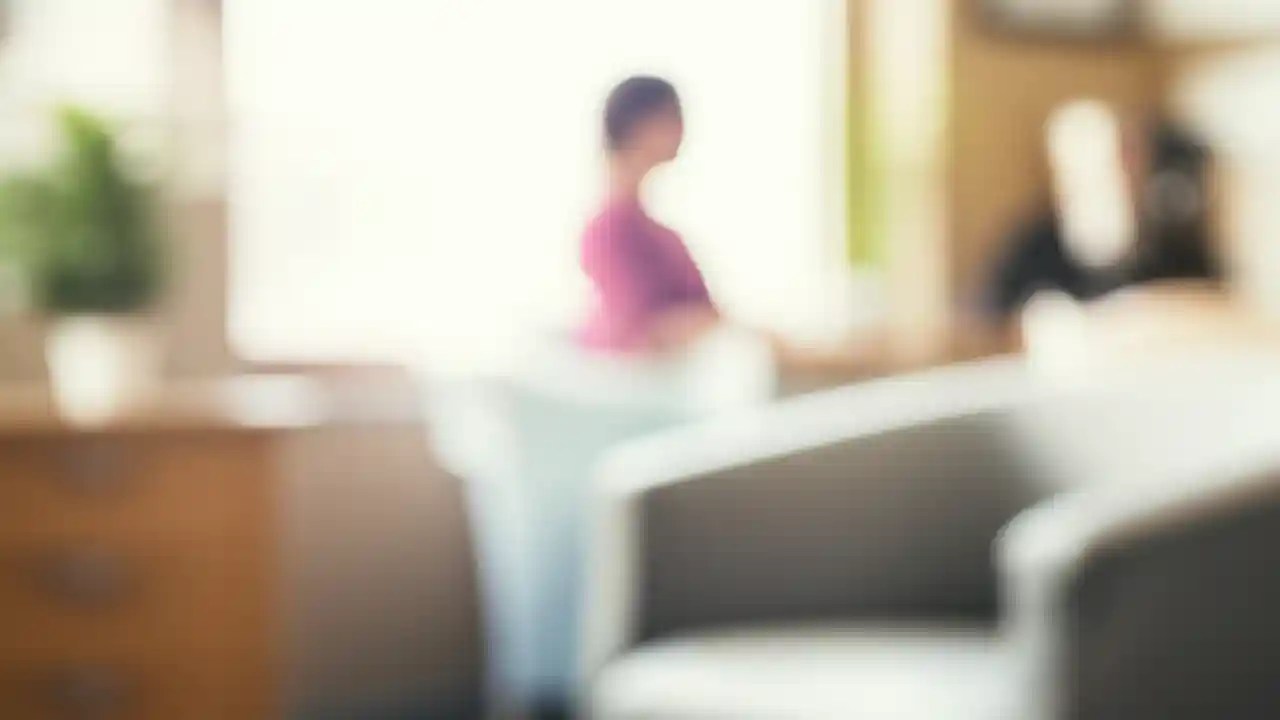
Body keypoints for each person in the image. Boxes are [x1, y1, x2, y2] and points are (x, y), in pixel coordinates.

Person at [981, 100, 1220, 324]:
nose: (1117, 172)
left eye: (1127, 155)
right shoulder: (1033, 247)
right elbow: (992, 325)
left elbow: (1216, 305)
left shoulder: (1171, 238)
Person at [578, 76, 719, 354]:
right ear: (641, 127)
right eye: (672, 117)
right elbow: (633, 332)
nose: (682, 130)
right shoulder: (610, 229)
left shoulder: (657, 233)